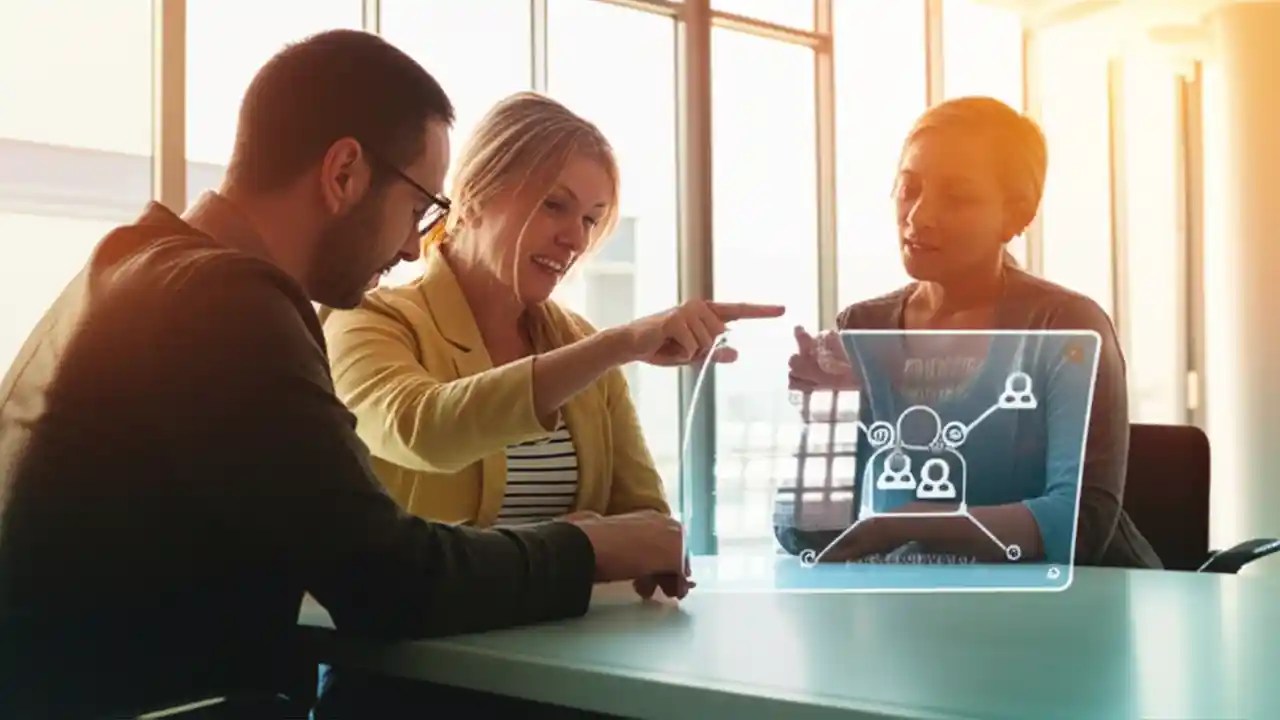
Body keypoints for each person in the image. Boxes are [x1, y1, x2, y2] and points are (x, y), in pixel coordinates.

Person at [0, 31, 691, 720]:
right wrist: (586, 546)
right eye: (418, 207)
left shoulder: (132, 263)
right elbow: (390, 579)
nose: (411, 244)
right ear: (343, 174)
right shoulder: (228, 302)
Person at [319, 90, 783, 598]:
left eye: (590, 219)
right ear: (473, 196)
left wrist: (644, 547)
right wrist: (576, 544)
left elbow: (647, 521)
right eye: (554, 206)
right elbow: (423, 430)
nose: (576, 239)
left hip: (558, 660)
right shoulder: (369, 319)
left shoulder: (581, 343)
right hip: (409, 662)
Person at [785, 96, 1160, 569]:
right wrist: (829, 423)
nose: (919, 215)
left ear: (1017, 214)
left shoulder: (1066, 326)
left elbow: (1080, 526)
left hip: (1068, 612)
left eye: (957, 197)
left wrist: (906, 526)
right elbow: (806, 535)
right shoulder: (862, 328)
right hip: (920, 615)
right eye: (909, 188)